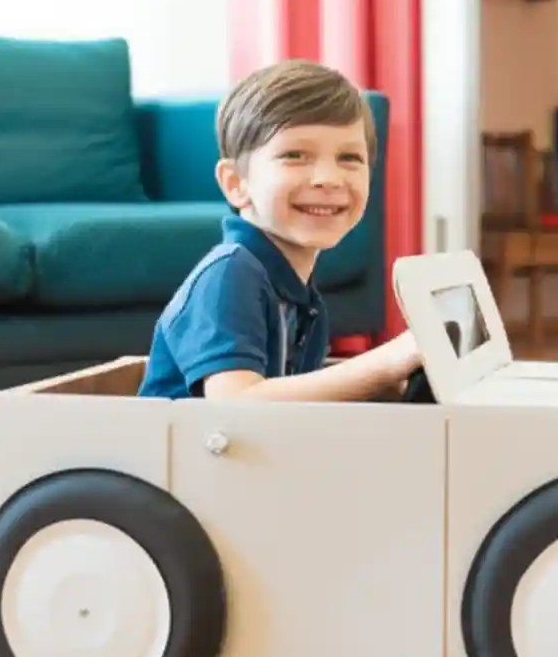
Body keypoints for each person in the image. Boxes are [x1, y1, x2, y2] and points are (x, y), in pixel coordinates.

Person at [137, 59, 422, 401]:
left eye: (349, 158)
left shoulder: (297, 290)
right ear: (236, 183)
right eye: (295, 155)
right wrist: (383, 364)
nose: (328, 179)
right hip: (183, 452)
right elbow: (235, 401)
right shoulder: (230, 274)